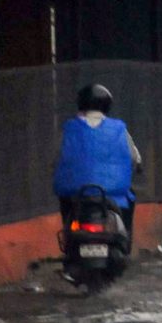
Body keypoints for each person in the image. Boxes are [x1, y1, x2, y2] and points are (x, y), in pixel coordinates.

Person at [53, 83, 141, 244]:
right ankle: (125, 240)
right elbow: (134, 157)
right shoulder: (119, 129)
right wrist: (137, 166)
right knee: (130, 199)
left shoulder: (69, 129)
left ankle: (68, 237)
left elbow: (57, 157)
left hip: (76, 194)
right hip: (113, 195)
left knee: (65, 201)